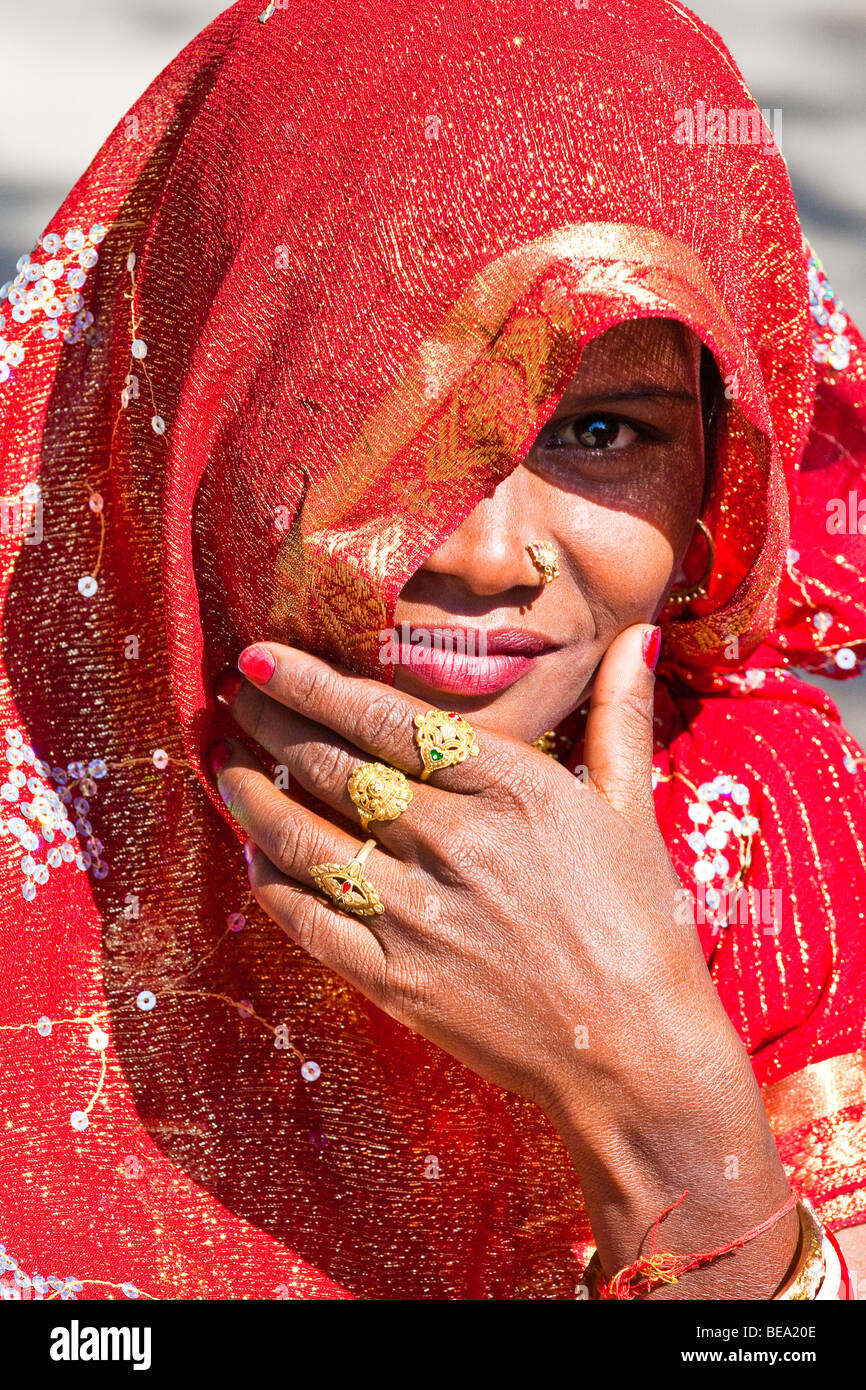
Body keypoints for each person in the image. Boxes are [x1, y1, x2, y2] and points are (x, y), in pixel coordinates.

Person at [0, 0, 863, 1301]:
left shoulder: (777, 853)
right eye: (366, 409)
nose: (482, 552)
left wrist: (657, 1090)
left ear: (715, 487)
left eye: (603, 432)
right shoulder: (33, 843)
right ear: (193, 410)